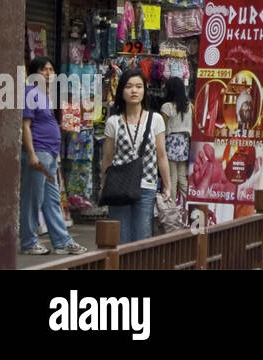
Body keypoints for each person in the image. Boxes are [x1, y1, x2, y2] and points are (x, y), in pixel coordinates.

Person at [20, 58, 87, 255]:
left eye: (51, 69)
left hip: (49, 154)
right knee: (32, 199)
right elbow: (25, 126)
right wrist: (31, 154)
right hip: (38, 152)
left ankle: (62, 241)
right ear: (33, 73)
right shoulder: (29, 93)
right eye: (43, 70)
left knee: (51, 199)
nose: (48, 73)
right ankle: (28, 242)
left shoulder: (44, 95)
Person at [102, 68, 170, 244]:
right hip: (119, 187)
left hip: (146, 185)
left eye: (139, 86)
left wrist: (167, 186)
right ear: (121, 91)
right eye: (129, 86)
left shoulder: (155, 119)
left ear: (144, 90)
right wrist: (104, 185)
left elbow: (161, 155)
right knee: (121, 238)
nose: (134, 91)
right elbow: (107, 158)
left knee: (142, 238)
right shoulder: (113, 122)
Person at [159, 76, 192, 206]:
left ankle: (170, 207)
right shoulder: (189, 106)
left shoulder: (167, 107)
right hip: (184, 142)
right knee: (182, 177)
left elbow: (161, 126)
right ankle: (191, 203)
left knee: (171, 177)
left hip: (171, 142)